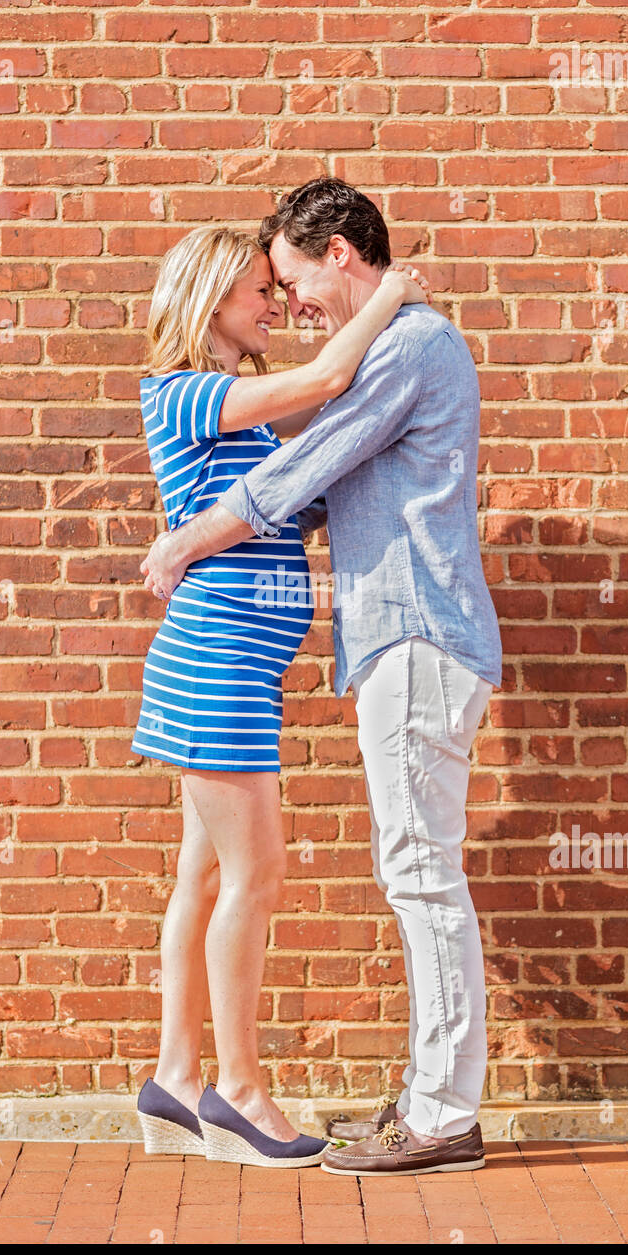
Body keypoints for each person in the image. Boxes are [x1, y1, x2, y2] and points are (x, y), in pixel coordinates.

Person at [141, 179, 504, 1177]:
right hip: (318, 650)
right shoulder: (339, 357)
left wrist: (193, 537)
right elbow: (315, 451)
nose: (287, 302)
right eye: (267, 287)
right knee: (235, 875)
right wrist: (207, 530)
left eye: (292, 277)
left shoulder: (409, 345)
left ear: (341, 253)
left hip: (417, 639)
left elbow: (312, 463)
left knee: (416, 873)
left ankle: (439, 1112)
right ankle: (200, 1083)